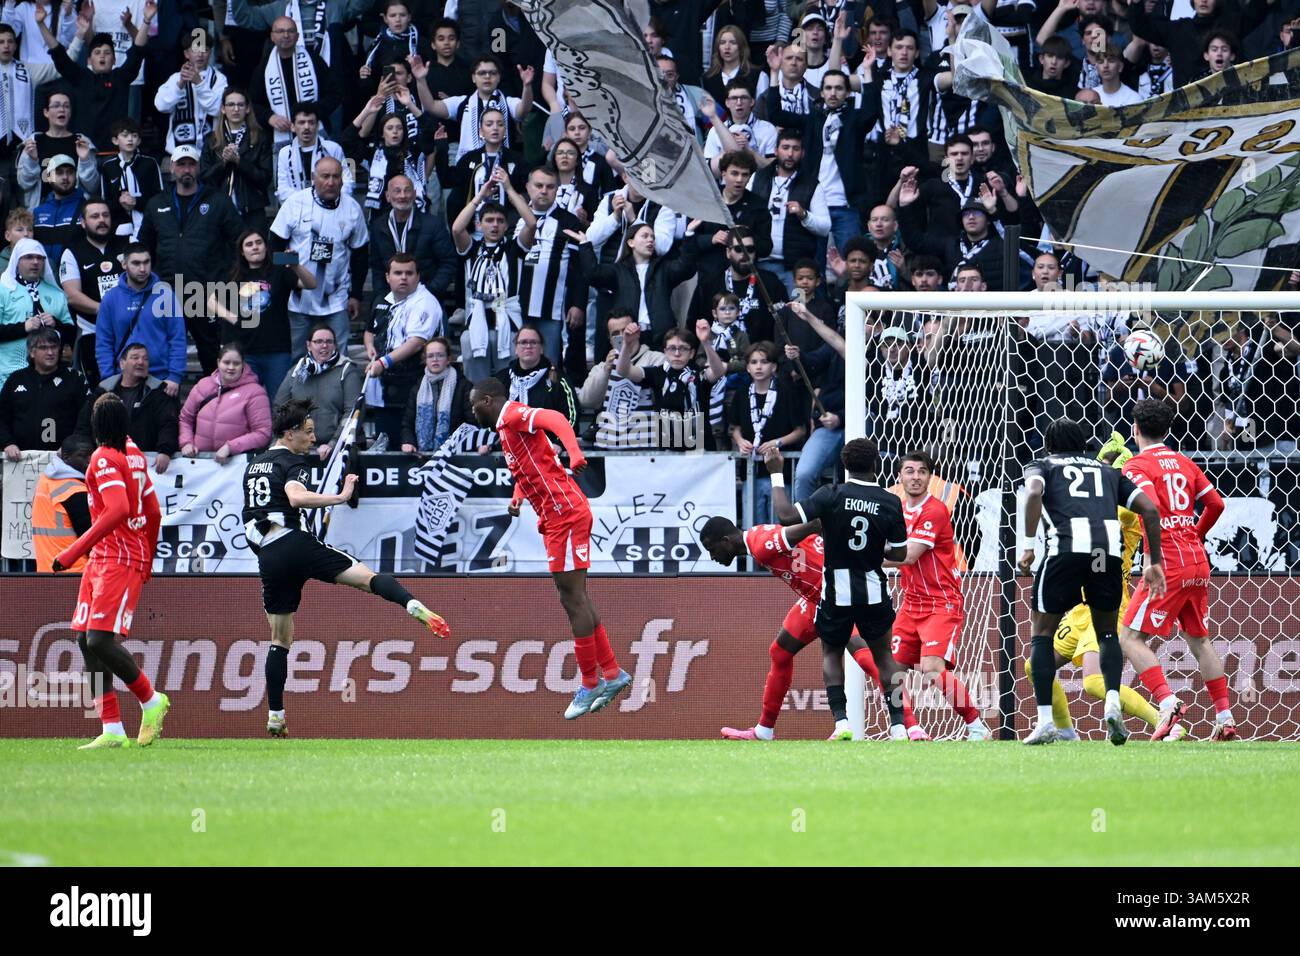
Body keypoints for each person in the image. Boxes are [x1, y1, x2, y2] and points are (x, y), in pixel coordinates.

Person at [243, 398, 449, 737]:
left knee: (280, 639)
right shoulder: (294, 462)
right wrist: (339, 496)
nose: (312, 439)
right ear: (290, 433)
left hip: (268, 555)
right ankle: (410, 603)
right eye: (307, 433)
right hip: (296, 543)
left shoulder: (254, 465)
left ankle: (276, 716)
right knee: (367, 579)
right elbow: (295, 497)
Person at [468, 376, 632, 719]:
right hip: (556, 517)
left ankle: (590, 683)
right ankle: (612, 673)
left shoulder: (514, 415)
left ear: (486, 400)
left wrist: (574, 452)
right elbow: (530, 468)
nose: (472, 413)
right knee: (577, 598)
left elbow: (556, 419)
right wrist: (517, 497)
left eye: (473, 405)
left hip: (566, 513)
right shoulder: (505, 428)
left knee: (572, 599)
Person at [702, 507, 923, 742]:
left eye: (712, 549)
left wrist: (828, 514)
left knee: (867, 659)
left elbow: (813, 525)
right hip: (815, 598)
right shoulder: (756, 538)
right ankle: (764, 731)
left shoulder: (761, 543)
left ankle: (912, 727)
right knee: (780, 651)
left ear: (725, 540)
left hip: (840, 595)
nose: (713, 557)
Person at [1018, 417, 1167, 746]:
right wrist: (1153, 561)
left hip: (1065, 551)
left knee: (1041, 635)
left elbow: (1033, 491)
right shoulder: (1109, 474)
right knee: (1109, 634)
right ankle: (1112, 702)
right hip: (1106, 557)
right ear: (1086, 444)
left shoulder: (1044, 464)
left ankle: (1045, 721)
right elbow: (1150, 510)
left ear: (1049, 445)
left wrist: (1027, 544)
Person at [770, 437, 915, 739]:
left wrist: (775, 472)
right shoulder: (890, 501)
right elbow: (900, 554)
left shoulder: (830, 494)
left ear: (844, 466)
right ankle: (899, 725)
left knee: (831, 653)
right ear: (876, 464)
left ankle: (841, 723)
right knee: (885, 658)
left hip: (836, 591)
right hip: (874, 591)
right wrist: (877, 550)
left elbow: (785, 517)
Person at [52, 393, 168, 750]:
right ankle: (112, 729)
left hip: (115, 558)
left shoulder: (103, 458)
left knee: (99, 639)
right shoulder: (133, 453)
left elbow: (117, 509)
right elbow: (152, 510)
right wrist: (146, 557)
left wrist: (74, 550)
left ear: (97, 425)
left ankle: (151, 701)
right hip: (112, 557)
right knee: (85, 640)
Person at [1118, 398, 1237, 740]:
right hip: (1197, 560)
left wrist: (1152, 558)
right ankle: (1226, 718)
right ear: (1167, 430)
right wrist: (1195, 535)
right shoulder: (1185, 463)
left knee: (1130, 637)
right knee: (1200, 640)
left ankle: (1167, 703)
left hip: (1166, 560)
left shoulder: (1137, 466)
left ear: (1135, 429)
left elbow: (1151, 508)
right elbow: (1216, 504)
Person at [884, 450, 993, 739]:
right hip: (912, 602)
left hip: (941, 601)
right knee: (892, 669)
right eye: (910, 471)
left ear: (929, 477)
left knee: (932, 669)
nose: (916, 477)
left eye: (921, 472)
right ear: (900, 476)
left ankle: (976, 726)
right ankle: (905, 727)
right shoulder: (896, 509)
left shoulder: (934, 510)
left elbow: (909, 555)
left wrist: (862, 557)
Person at [138, 144, 244, 375]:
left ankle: (215, 405)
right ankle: (164, 405)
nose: (186, 169)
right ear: (172, 168)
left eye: (191, 164)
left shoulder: (218, 201)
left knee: (209, 352)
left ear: (198, 167)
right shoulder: (157, 203)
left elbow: (240, 241)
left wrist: (228, 281)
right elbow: (143, 247)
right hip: (166, 291)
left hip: (206, 292)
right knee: (164, 352)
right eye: (181, 164)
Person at [269, 155, 369, 359]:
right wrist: (290, 275)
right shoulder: (295, 203)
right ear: (314, 178)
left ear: (342, 180)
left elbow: (360, 254)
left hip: (336, 299)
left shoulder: (352, 208)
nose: (331, 182)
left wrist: (356, 294)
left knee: (339, 359)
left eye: (336, 177)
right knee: (296, 358)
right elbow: (274, 249)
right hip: (299, 301)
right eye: (325, 176)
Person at [450, 171, 536, 382]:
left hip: (508, 324)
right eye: (489, 220)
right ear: (479, 224)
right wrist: (479, 196)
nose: (495, 225)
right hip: (476, 324)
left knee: (508, 383)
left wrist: (508, 188)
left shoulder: (514, 249)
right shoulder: (472, 248)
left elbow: (532, 223)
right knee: (477, 387)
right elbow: (456, 228)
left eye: (500, 221)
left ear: (507, 226)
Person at [210, 229, 317, 397]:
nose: (255, 247)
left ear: (266, 247)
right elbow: (211, 301)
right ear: (242, 251)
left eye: (259, 243)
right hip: (243, 350)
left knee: (279, 401)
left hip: (276, 350)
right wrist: (234, 319)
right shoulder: (232, 274)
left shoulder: (280, 270)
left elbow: (311, 284)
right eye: (249, 244)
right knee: (242, 401)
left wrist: (296, 266)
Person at [36, 0, 152, 150]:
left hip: (114, 155)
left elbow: (138, 50)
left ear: (114, 59)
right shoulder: (81, 77)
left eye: (107, 53)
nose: (102, 57)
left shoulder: (121, 78)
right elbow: (59, 55)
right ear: (89, 59)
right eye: (97, 53)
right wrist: (41, 24)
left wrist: (147, 20)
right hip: (84, 154)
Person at [569, 222, 697, 349]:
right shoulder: (619, 270)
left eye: (653, 237)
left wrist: (689, 233)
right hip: (629, 334)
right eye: (645, 236)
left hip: (660, 335)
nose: (650, 240)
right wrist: (584, 244)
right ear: (631, 243)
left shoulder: (664, 268)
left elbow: (686, 268)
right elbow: (593, 274)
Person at [363, 252, 441, 446]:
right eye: (398, 273)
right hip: (384, 387)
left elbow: (416, 342)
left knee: (408, 441)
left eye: (409, 273)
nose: (404, 277)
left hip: (414, 384)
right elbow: (369, 331)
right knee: (384, 440)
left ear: (418, 276)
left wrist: (383, 361)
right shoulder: (382, 299)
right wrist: (370, 346)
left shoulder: (425, 302)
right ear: (388, 277)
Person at [615, 323, 725, 452]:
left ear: (692, 353)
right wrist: (626, 345)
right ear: (665, 351)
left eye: (683, 348)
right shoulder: (657, 373)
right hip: (667, 450)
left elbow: (718, 371)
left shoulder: (698, 374)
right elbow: (623, 371)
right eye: (672, 348)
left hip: (701, 448)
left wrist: (705, 342)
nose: (677, 353)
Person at [729, 341, 807, 521]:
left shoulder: (786, 391)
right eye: (753, 362)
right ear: (747, 367)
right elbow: (734, 427)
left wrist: (777, 442)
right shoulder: (742, 393)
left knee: (778, 526)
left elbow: (800, 430)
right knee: (753, 526)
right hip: (751, 469)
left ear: (773, 366)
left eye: (764, 362)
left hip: (781, 470)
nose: (758, 367)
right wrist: (740, 441)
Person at [93, 244, 185, 395]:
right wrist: (109, 378)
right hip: (123, 380)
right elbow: (104, 342)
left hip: (162, 380)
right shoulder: (111, 298)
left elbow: (177, 338)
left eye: (146, 262)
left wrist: (175, 376)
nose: (142, 269)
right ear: (124, 264)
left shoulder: (166, 295)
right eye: (136, 263)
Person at [77, 342, 179, 472]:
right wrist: (83, 450)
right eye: (135, 357)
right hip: (107, 463)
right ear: (122, 364)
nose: (141, 362)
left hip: (146, 464)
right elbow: (84, 425)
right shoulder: (103, 391)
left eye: (145, 359)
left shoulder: (159, 392)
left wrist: (165, 451)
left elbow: (168, 424)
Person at [58, 198, 126, 386]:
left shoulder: (125, 245)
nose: (101, 220)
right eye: (94, 216)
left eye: (105, 215)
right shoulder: (72, 252)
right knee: (100, 389)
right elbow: (72, 296)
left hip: (128, 331)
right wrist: (104, 310)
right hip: (91, 332)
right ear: (83, 222)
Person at [249, 16, 340, 151]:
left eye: (290, 31)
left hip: (316, 131)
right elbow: (253, 103)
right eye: (280, 31)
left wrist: (314, 112)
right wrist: (270, 117)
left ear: (297, 36)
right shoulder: (263, 68)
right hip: (280, 137)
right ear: (272, 37)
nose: (286, 35)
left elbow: (335, 93)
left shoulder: (314, 61)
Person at [274, 322, 362, 460]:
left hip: (337, 449)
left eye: (329, 341)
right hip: (299, 447)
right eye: (318, 341)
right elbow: (279, 408)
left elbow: (353, 413)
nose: (324, 345)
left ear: (335, 345)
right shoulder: (297, 370)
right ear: (309, 345)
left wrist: (333, 443)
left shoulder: (347, 370)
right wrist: (287, 442)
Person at [366, 174, 456, 302]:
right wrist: (383, 297)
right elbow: (377, 266)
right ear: (387, 196)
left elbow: (448, 263)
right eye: (397, 191)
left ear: (414, 194)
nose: (402, 196)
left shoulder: (433, 225)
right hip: (390, 299)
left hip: (427, 298)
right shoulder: (378, 226)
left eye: (407, 191)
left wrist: (429, 292)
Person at [178, 343, 273, 463]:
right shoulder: (202, 385)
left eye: (236, 363)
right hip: (199, 462)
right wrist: (186, 442)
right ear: (218, 362)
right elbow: (185, 419)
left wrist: (231, 447)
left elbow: (263, 433)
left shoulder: (255, 392)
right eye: (226, 362)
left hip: (236, 464)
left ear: (243, 364)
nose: (231, 367)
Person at [0, 325, 85, 458]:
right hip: (20, 460)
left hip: (64, 458)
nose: (50, 352)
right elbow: (1, 417)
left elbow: (85, 419)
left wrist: (73, 446)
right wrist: (7, 443)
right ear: (31, 352)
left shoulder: (74, 379)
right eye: (44, 348)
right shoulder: (16, 379)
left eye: (54, 347)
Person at [0, 237, 72, 389]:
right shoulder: (3, 290)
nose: (35, 262)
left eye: (40, 258)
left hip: (50, 375)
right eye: (29, 257)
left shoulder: (56, 294)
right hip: (9, 373)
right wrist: (23, 327)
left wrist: (55, 324)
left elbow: (71, 333)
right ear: (17, 261)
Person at [200, 87, 273, 235]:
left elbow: (265, 178)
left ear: (247, 109)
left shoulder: (260, 137)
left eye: (240, 105)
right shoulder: (211, 139)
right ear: (223, 109)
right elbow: (204, 179)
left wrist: (240, 162)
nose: (235, 109)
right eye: (231, 105)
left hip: (252, 208)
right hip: (220, 209)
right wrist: (224, 163)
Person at [15, 90, 98, 208]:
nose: (62, 109)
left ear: (70, 112)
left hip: (75, 210)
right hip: (41, 210)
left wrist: (85, 161)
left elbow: (93, 186)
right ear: (46, 112)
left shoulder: (81, 142)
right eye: (56, 105)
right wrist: (32, 161)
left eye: (66, 106)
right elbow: (24, 184)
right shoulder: (34, 141)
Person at [153, 28, 228, 155]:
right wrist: (180, 84)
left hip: (210, 149)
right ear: (186, 54)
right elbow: (161, 106)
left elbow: (218, 109)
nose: (200, 54)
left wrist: (199, 83)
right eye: (195, 50)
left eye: (205, 49)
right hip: (179, 149)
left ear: (210, 52)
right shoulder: (176, 78)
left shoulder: (219, 78)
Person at [32, 433, 92, 573]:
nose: (88, 461)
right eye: (82, 456)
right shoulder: (74, 491)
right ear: (66, 457)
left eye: (91, 455)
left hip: (46, 570)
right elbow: (92, 541)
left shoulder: (44, 480)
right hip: (76, 572)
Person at [401, 336, 472, 453]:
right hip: (422, 454)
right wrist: (408, 441)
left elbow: (471, 424)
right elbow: (407, 423)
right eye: (430, 356)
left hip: (456, 454)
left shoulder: (464, 386)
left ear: (448, 359)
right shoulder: (417, 388)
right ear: (425, 360)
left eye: (440, 355)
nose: (435, 359)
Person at [98, 118, 162, 240]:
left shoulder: (150, 163)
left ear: (139, 140)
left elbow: (159, 197)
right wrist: (120, 202)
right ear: (115, 140)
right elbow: (105, 200)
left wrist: (136, 202)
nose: (130, 139)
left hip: (147, 224)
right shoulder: (108, 166)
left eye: (134, 135)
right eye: (125, 135)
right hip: (119, 226)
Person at [274, 102, 349, 203]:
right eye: (301, 122)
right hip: (297, 210)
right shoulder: (284, 153)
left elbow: (348, 180)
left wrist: (333, 200)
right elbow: (282, 189)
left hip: (330, 207)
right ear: (292, 127)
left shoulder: (334, 148)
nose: (306, 127)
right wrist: (309, 201)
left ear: (318, 125)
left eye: (311, 122)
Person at [31, 153, 82, 265]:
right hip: (45, 276)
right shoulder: (38, 211)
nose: (65, 177)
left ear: (75, 176)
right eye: (59, 172)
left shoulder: (86, 209)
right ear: (49, 177)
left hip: (77, 275)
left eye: (70, 172)